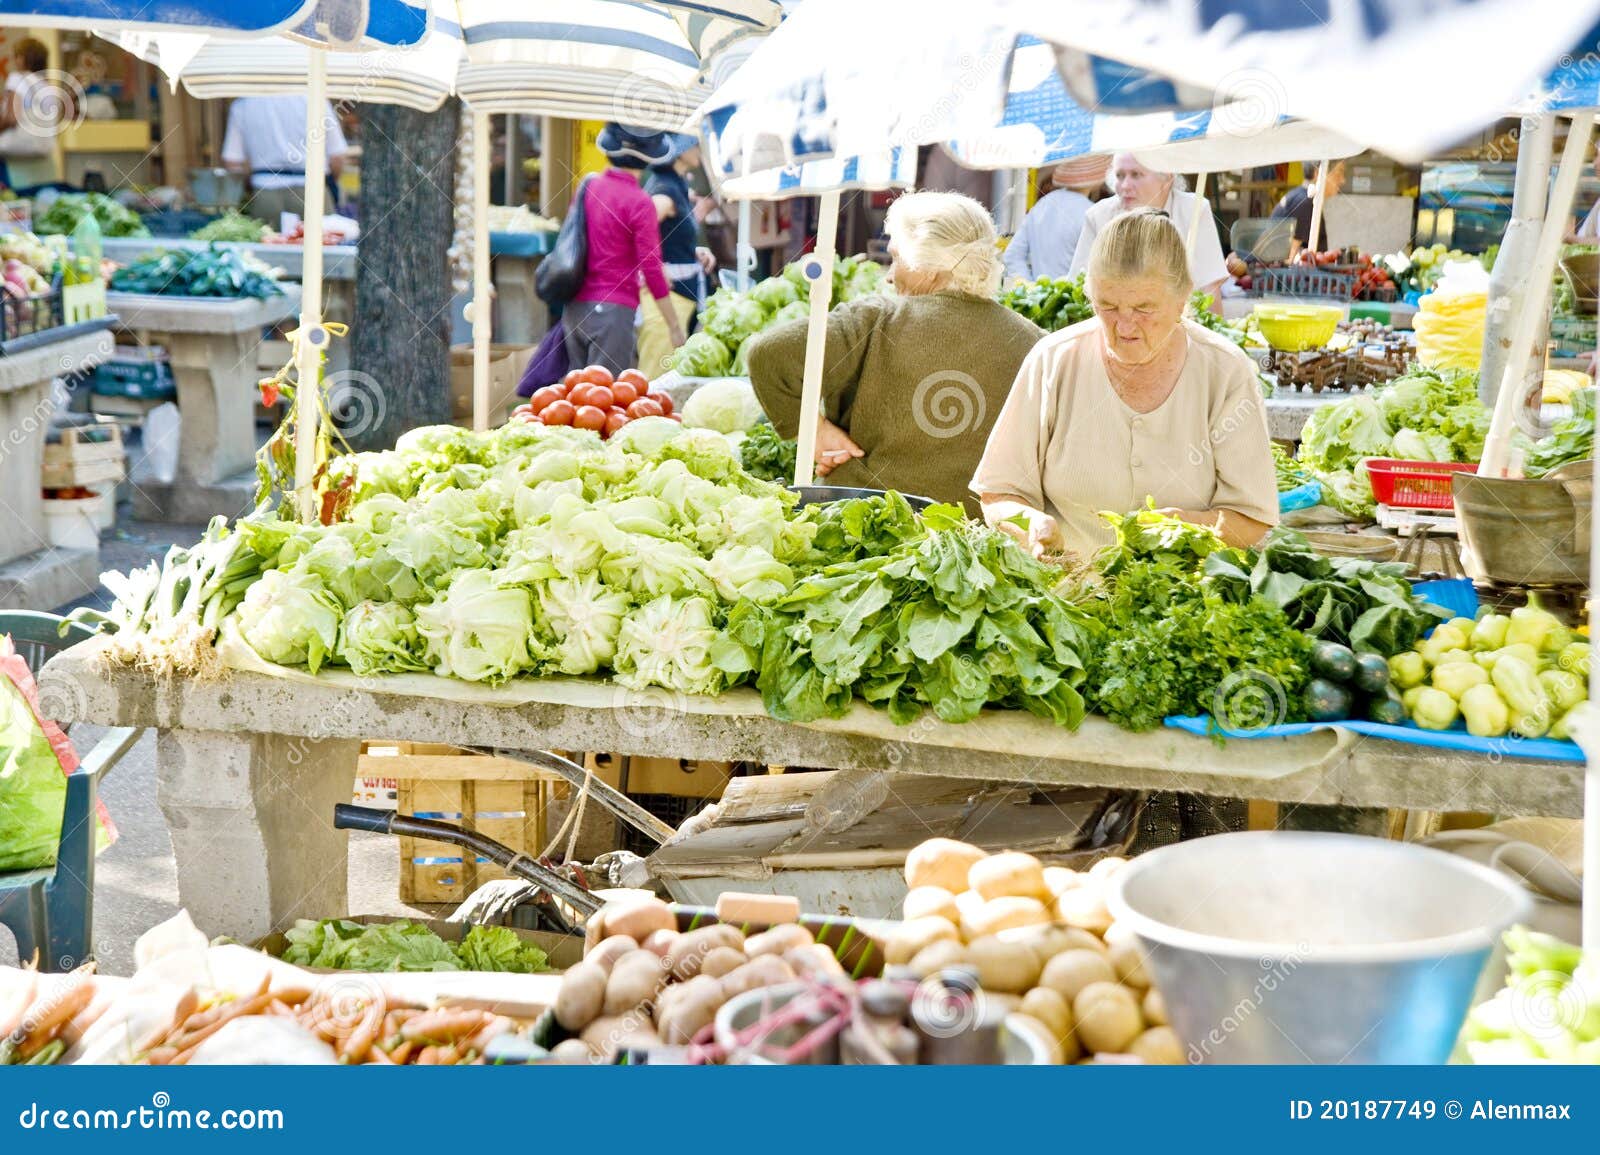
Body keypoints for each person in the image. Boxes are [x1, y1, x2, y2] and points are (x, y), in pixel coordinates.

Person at [973, 208, 1276, 560]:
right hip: (1067, 595)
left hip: (1184, 600)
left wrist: (1190, 526)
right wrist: (1031, 525)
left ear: (1183, 299)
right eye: (1108, 306)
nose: (1125, 326)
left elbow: (1253, 519)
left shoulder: (1225, 372)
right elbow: (998, 492)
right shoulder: (1054, 360)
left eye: (1145, 309)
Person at [746, 191, 1042, 515]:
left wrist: (814, 431)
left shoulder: (876, 320)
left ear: (928, 268)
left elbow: (767, 354)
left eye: (897, 258)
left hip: (864, 531)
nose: (889, 274)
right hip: (973, 544)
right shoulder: (1034, 343)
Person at [563, 123, 684, 376]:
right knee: (606, 403)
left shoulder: (588, 187)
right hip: (613, 314)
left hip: (574, 309)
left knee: (577, 400)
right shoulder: (640, 202)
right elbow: (651, 269)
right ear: (649, 158)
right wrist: (673, 324)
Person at [1068, 153, 1228, 301]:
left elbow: (1210, 288)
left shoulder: (1195, 209)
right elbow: (1080, 285)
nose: (1125, 185)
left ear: (1167, 177)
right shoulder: (1098, 216)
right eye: (1119, 175)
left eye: (1136, 175)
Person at [637, 133, 716, 379]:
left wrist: (692, 253)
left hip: (678, 298)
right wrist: (654, 264)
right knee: (654, 380)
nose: (700, 151)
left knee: (665, 379)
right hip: (665, 302)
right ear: (680, 151)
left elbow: (665, 235)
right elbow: (640, 229)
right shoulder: (664, 188)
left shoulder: (677, 184)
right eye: (695, 145)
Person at [222, 94, 347, 227]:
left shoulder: (244, 104)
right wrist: (329, 182)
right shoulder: (315, 98)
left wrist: (249, 186)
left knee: (266, 244)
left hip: (264, 192)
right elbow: (337, 156)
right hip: (313, 192)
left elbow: (232, 161)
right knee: (324, 245)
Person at [1002, 157, 1109, 283]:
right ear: (1097, 179)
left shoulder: (1042, 204)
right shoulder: (1091, 212)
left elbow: (1012, 254)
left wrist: (1030, 286)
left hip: (1039, 298)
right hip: (1075, 300)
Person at [0, 38, 64, 191]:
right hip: (43, 167)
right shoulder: (49, 87)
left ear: (23, 58)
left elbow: (11, 118)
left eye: (17, 56)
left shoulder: (17, 79)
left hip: (14, 166)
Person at [1270, 159, 1346, 255]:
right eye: (1339, 173)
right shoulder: (1305, 204)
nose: (1343, 180)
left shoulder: (1302, 197)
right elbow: (1289, 259)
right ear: (1319, 173)